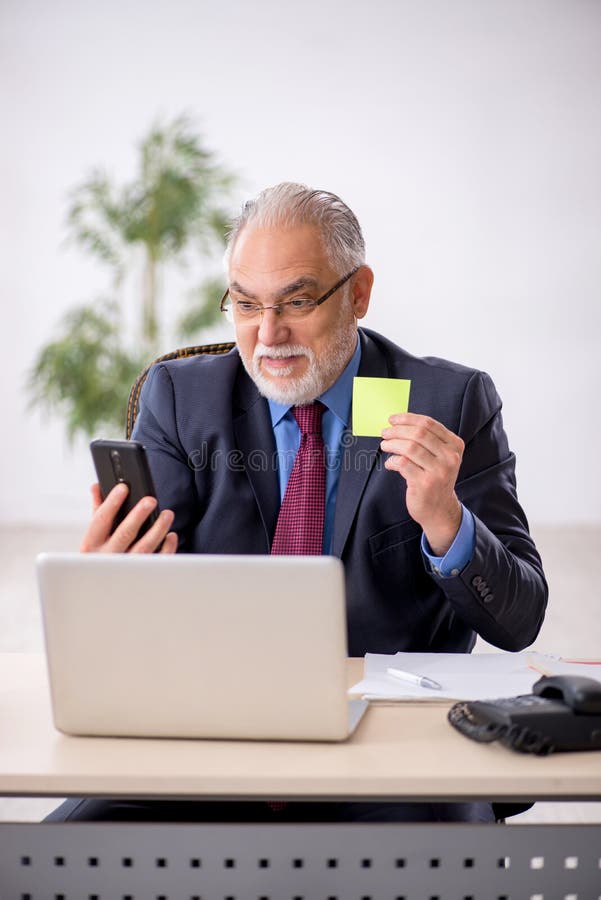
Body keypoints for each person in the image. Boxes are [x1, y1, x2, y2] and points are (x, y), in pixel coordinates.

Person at [50, 182, 547, 824]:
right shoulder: (182, 400)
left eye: (298, 301)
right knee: (63, 851)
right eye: (246, 304)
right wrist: (101, 582)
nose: (268, 334)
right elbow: (132, 612)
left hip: (389, 751)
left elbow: (522, 620)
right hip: (212, 737)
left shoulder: (443, 402)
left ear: (359, 294)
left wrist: (448, 523)